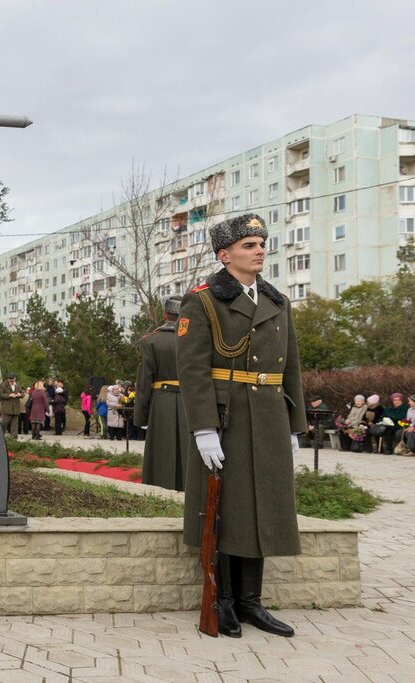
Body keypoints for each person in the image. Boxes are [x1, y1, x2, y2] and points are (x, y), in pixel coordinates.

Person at [176, 213, 305, 639]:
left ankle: (252, 602)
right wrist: (203, 428)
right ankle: (225, 601)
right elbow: (192, 370)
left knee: (263, 509)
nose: (260, 250)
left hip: (267, 416)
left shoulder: (277, 301)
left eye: (262, 243)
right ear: (224, 255)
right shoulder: (204, 301)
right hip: (226, 417)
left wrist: (293, 424)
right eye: (249, 245)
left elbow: (292, 371)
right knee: (228, 511)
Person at [134, 296, 188, 491]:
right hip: (189, 401)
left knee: (160, 450)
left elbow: (143, 382)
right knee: (188, 449)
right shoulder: (194, 340)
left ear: (165, 315)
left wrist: (141, 416)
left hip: (161, 401)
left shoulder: (151, 341)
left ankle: (160, 487)